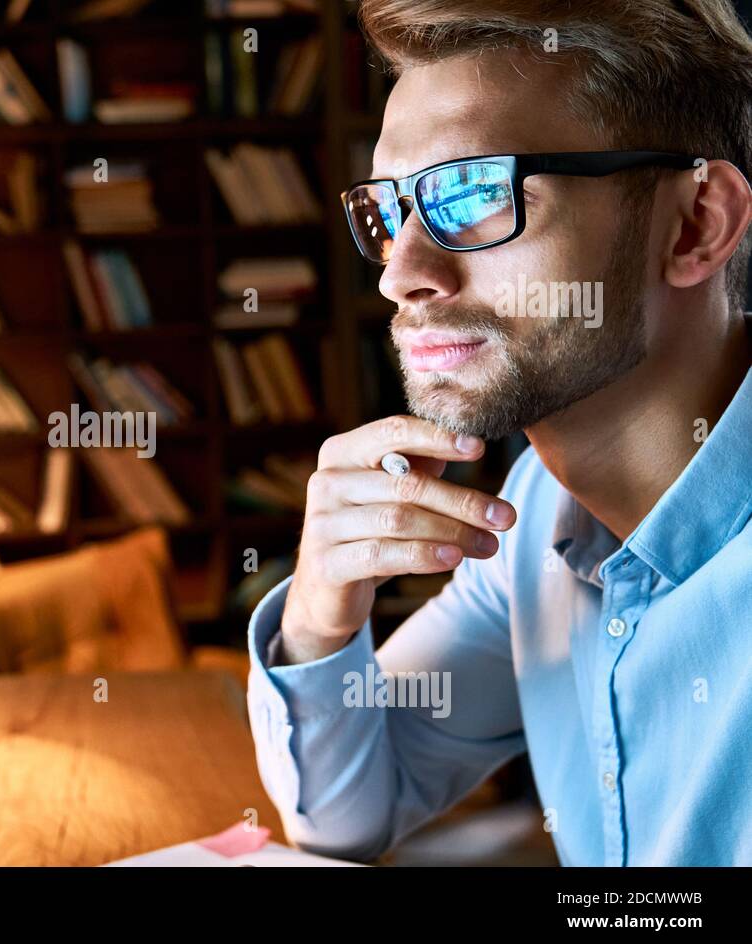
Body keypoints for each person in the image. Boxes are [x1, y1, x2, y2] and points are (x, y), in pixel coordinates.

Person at [248, 0, 752, 866]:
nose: (401, 274)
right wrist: (321, 613)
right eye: (391, 208)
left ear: (696, 223)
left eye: (475, 190)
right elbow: (351, 811)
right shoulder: (535, 517)